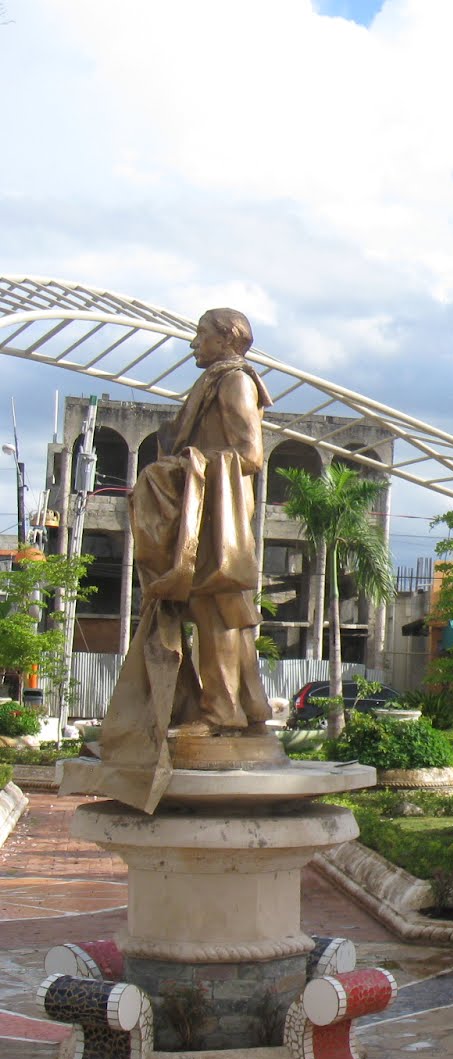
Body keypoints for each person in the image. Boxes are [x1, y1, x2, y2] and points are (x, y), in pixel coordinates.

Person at [98, 307, 275, 811]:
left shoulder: (236, 382)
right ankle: (250, 707)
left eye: (200, 333)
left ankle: (222, 712)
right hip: (204, 513)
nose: (193, 342)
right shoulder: (216, 381)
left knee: (216, 611)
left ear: (226, 338)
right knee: (223, 613)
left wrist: (186, 466)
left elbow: (251, 454)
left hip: (218, 514)